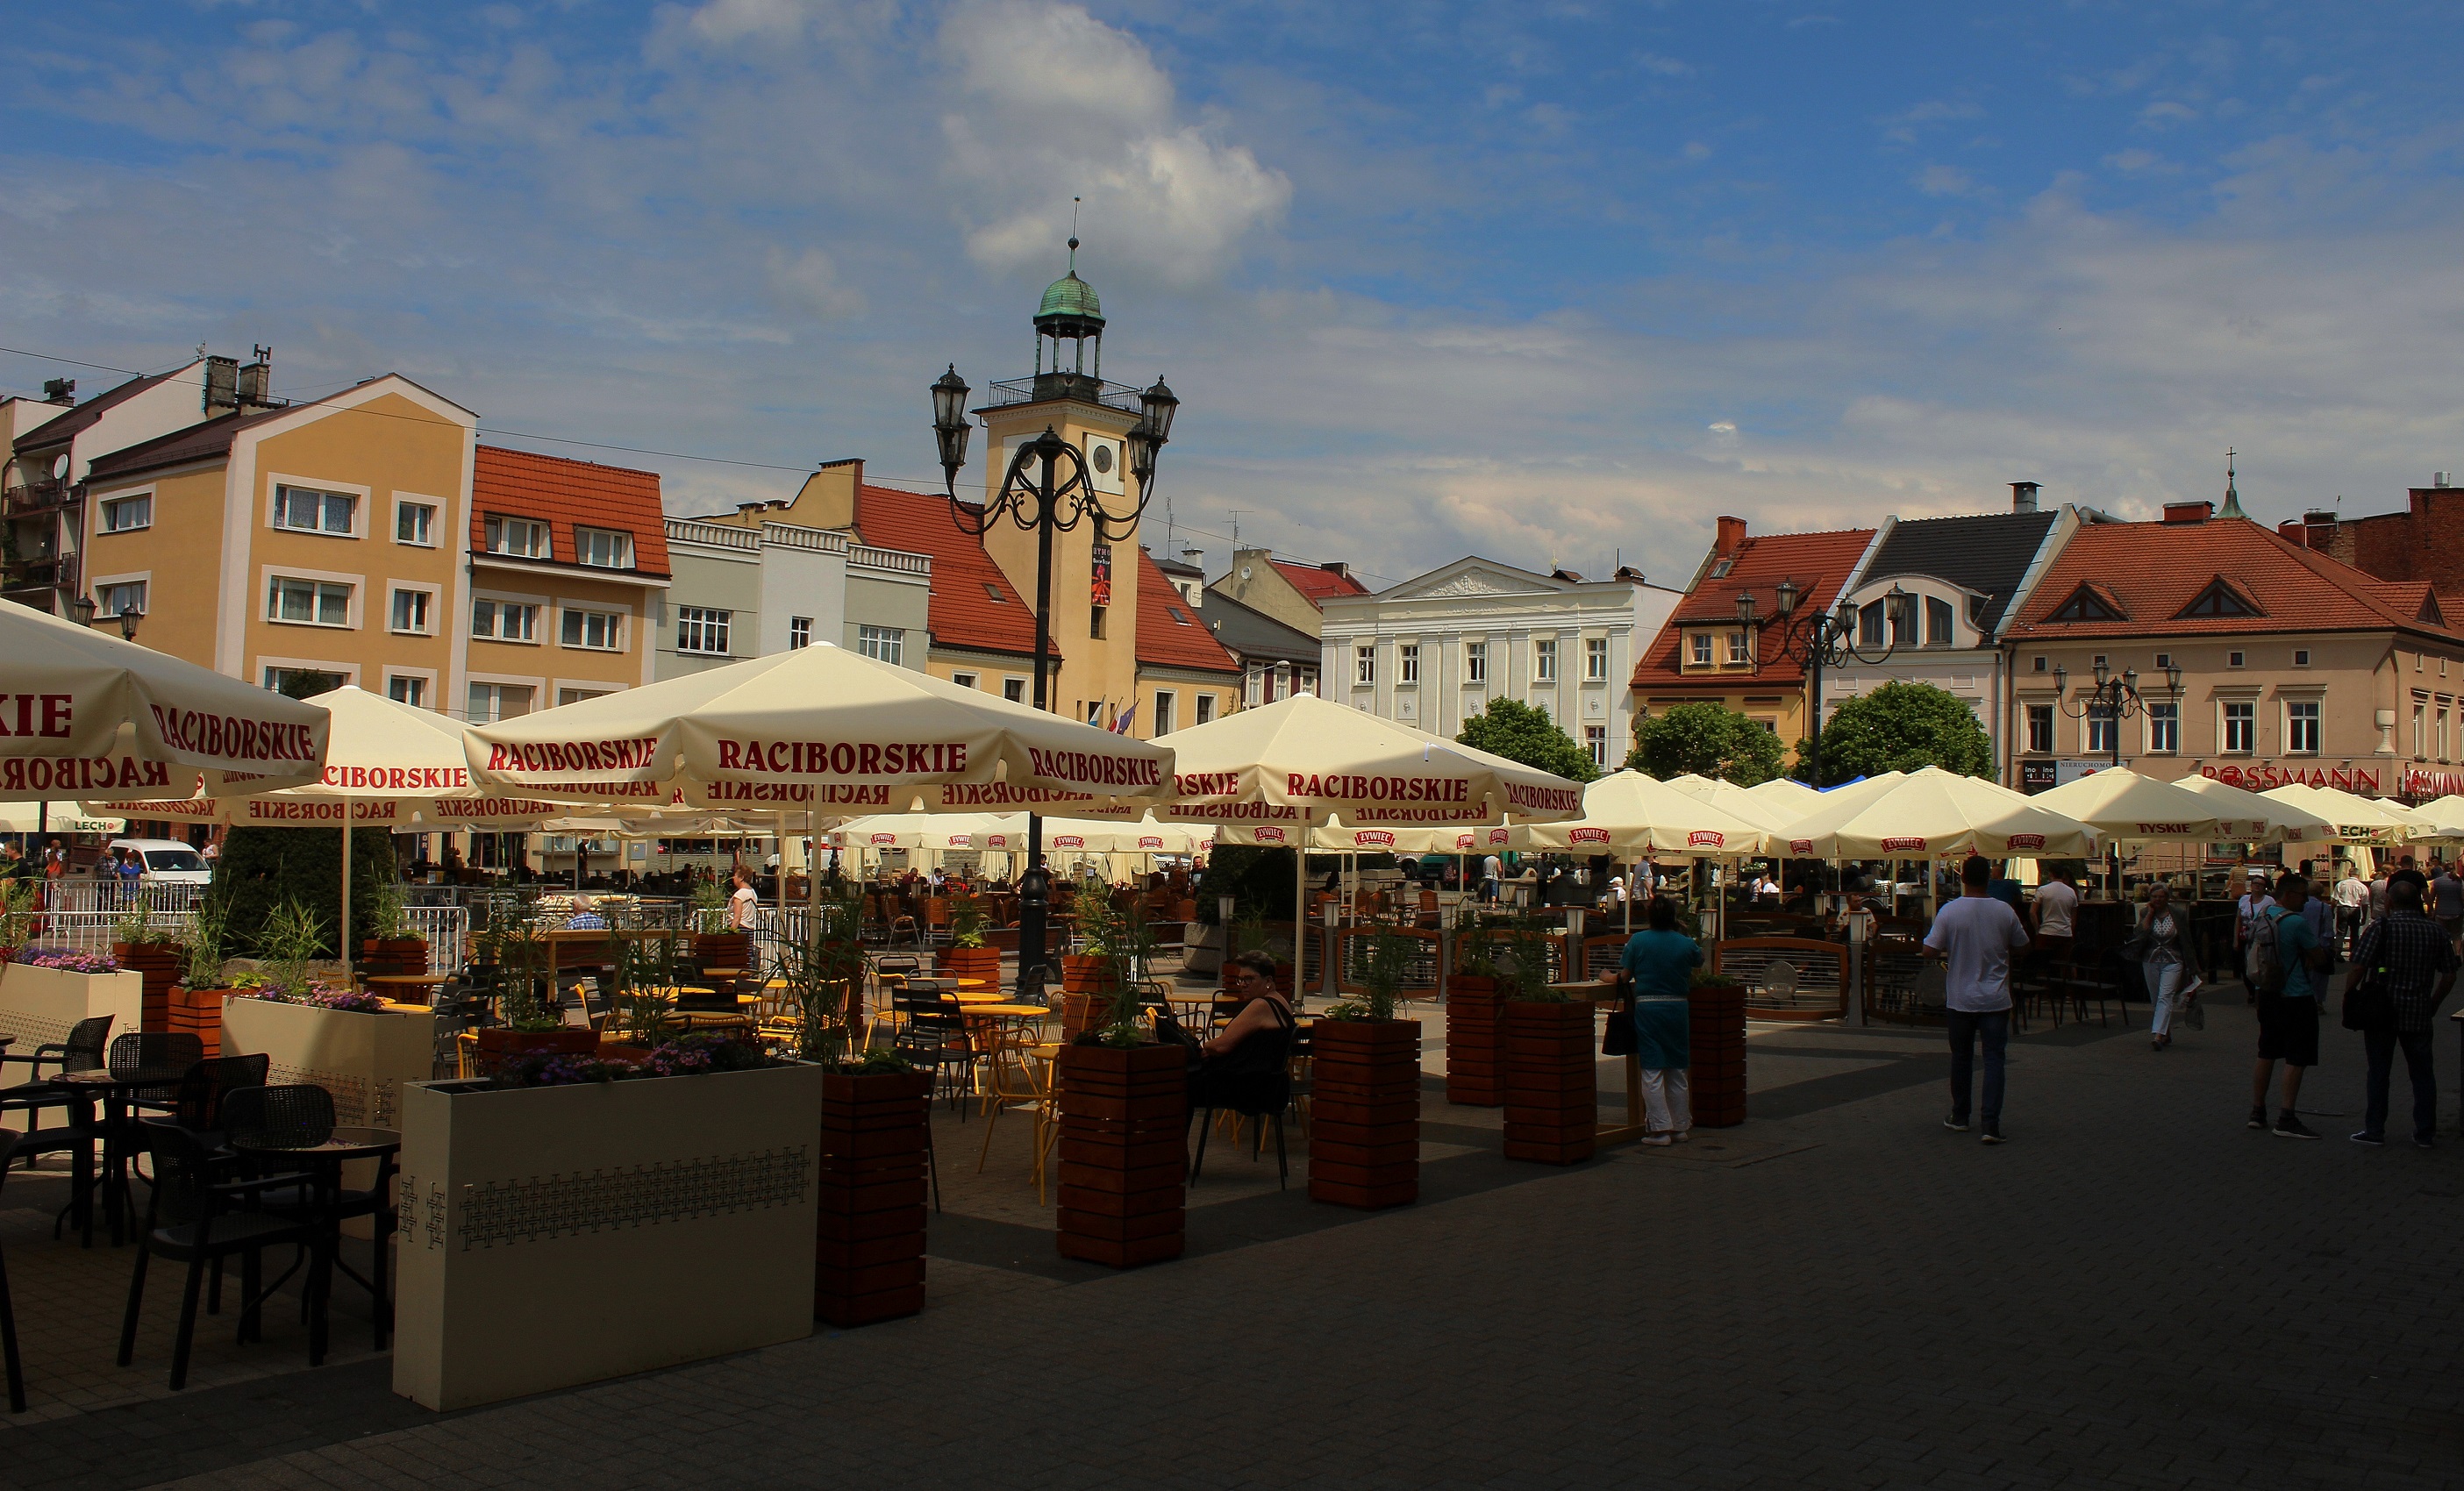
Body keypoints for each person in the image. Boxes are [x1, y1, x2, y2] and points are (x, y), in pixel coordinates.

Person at [1924, 855, 2031, 1144]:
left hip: (1960, 998)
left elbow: (1930, 950)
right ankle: (1990, 1124)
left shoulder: (1950, 910)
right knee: (1994, 1059)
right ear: (1989, 879)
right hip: (1996, 998)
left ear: (1962, 878)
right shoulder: (2004, 910)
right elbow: (2023, 946)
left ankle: (1960, 1116)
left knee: (1961, 1057)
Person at [2345, 877, 2456, 1148]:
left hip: (2381, 1012)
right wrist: (2435, 1002)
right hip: (2419, 1011)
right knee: (2422, 1074)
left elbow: (2359, 965)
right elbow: (2450, 974)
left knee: (2379, 1072)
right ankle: (2425, 1132)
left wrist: (2350, 994)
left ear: (2390, 902)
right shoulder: (2436, 931)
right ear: (2418, 901)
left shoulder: (2380, 928)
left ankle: (2375, 1130)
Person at [2250, 872, 2332, 1138]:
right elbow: (2319, 957)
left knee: (2266, 1052)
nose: (2306, 901)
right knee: (2297, 1057)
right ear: (2288, 894)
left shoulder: (2263, 915)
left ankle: (2257, 1111)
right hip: (2296, 995)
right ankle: (2286, 1117)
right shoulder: (2296, 922)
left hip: (2267, 992)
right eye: (2302, 896)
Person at [1619, 896, 1701, 1145]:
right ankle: (1680, 1127)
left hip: (1649, 1008)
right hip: (1678, 1007)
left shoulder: (1638, 940)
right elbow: (1698, 960)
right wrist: (1683, 931)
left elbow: (1624, 976)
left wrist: (1606, 976)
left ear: (1649, 917)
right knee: (1677, 1068)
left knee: (1652, 1068)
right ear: (1673, 918)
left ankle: (1660, 1129)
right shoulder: (1685, 943)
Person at [1190, 950, 1296, 1113]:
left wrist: (1207, 1046)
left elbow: (1221, 1046)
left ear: (1268, 981)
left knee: (1179, 1084)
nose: (1243, 984)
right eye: (1240, 979)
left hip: (1252, 1089)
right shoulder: (1281, 1002)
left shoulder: (1260, 1005)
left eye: (1249, 979)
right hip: (1273, 1085)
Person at [2133, 882, 2202, 1052]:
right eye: (2154, 897)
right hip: (2151, 959)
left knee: (2165, 996)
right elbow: (2139, 934)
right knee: (2156, 997)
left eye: (2161, 897)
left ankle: (2158, 1035)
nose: (2158, 900)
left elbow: (2186, 939)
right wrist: (2149, 914)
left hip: (2173, 960)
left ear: (2167, 898)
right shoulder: (2145, 912)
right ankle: (2166, 1032)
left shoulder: (2178, 914)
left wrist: (2192, 965)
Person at [2032, 865, 2079, 967]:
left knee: (2042, 965)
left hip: (2046, 931)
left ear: (2051, 874)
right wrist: (2070, 930)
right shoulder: (2071, 892)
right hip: (2065, 933)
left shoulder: (2043, 890)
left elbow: (2032, 912)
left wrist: (2037, 929)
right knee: (2063, 965)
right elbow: (2074, 917)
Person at [2333, 865, 2369, 956]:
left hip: (2342, 908)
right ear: (2358, 875)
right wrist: (2364, 916)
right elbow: (2365, 904)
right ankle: (2353, 952)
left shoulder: (2341, 884)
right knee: (2354, 932)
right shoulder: (2362, 886)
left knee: (2341, 931)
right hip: (2355, 909)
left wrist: (2332, 910)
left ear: (2349, 874)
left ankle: (2337, 951)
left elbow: (2334, 899)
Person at [2432, 862, 2464, 949]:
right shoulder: (2459, 881)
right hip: (2457, 912)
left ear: (2443, 869)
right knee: (2457, 936)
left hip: (2440, 912)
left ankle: (2443, 953)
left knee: (2441, 935)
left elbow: (2432, 897)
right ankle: (2457, 954)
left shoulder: (2437, 881)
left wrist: (2431, 910)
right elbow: (2463, 897)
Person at [727, 866, 760, 931]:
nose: (733, 878)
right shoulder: (752, 892)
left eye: (735, 876)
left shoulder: (740, 894)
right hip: (750, 928)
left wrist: (731, 932)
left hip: (740, 928)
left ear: (741, 878)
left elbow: (737, 918)